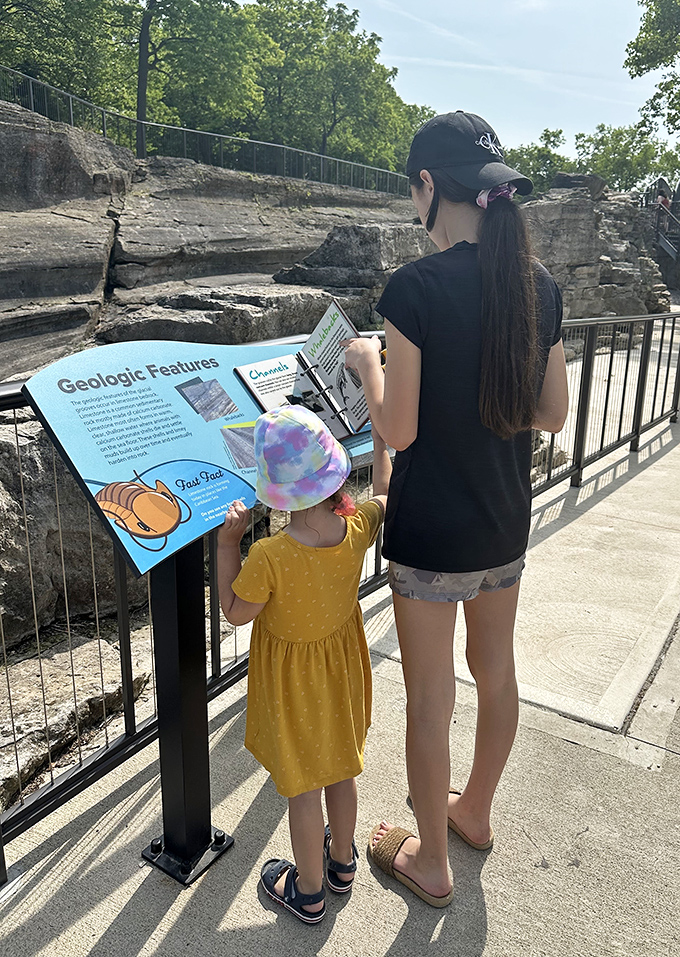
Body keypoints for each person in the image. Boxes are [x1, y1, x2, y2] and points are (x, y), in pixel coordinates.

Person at [342, 111, 568, 908]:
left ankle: (429, 860)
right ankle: (473, 811)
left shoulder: (415, 288)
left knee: (430, 695)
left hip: (433, 534)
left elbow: (395, 428)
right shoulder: (537, 284)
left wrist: (369, 363)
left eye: (413, 190)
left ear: (431, 187)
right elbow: (553, 414)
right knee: (495, 671)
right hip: (505, 524)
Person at [217, 405, 391, 923]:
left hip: (295, 689)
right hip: (342, 676)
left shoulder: (271, 555)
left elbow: (234, 613)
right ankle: (342, 865)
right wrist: (382, 442)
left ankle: (308, 890)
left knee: (303, 789)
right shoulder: (356, 526)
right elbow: (384, 494)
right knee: (341, 770)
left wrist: (228, 543)